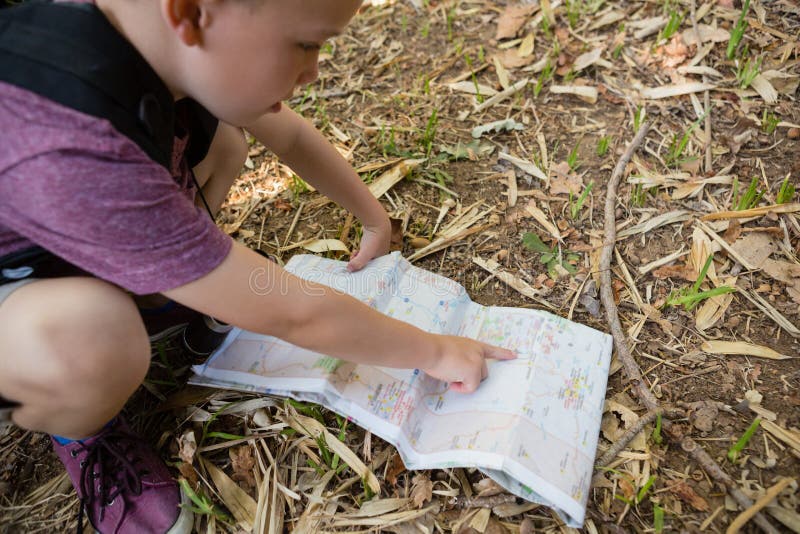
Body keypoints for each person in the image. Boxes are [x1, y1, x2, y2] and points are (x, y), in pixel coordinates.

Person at [0, 0, 516, 532]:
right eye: (306, 44)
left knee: (223, 141)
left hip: (73, 244)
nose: (314, 71)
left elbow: (288, 134)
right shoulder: (72, 147)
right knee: (88, 337)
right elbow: (295, 314)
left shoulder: (154, 45)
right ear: (191, 13)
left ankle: (164, 291)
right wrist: (434, 349)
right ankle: (81, 425)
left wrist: (373, 218)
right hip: (22, 308)